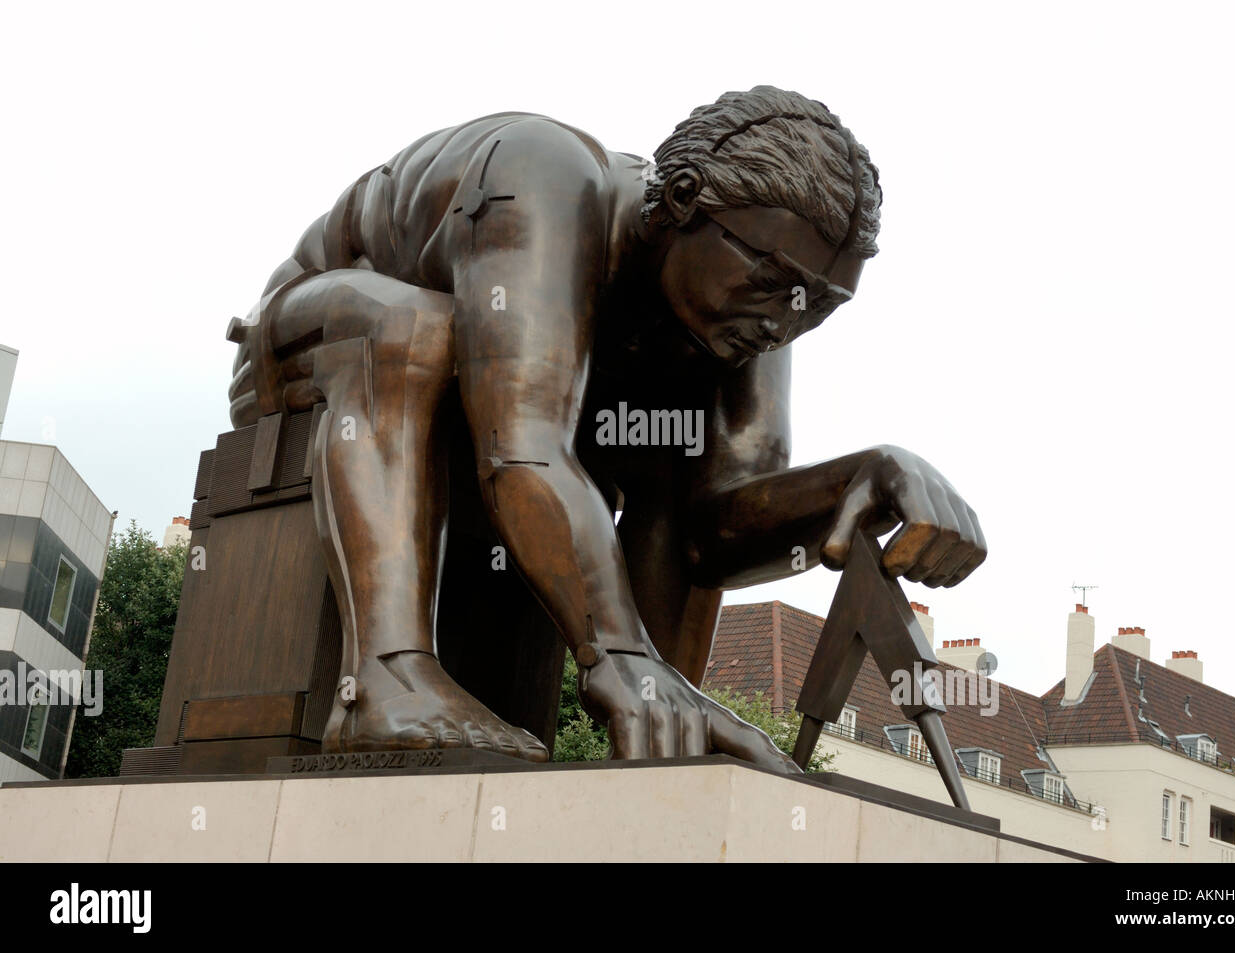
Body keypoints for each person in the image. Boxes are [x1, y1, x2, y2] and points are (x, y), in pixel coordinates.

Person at [227, 86, 986, 772]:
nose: (788, 316)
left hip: (511, 413)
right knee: (411, 330)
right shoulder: (544, 178)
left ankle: (666, 725)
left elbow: (707, 531)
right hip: (305, 343)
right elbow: (522, 448)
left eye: (820, 302)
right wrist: (615, 651)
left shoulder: (749, 319)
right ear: (682, 201)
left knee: (670, 449)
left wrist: (858, 480)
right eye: (772, 275)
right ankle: (383, 682)